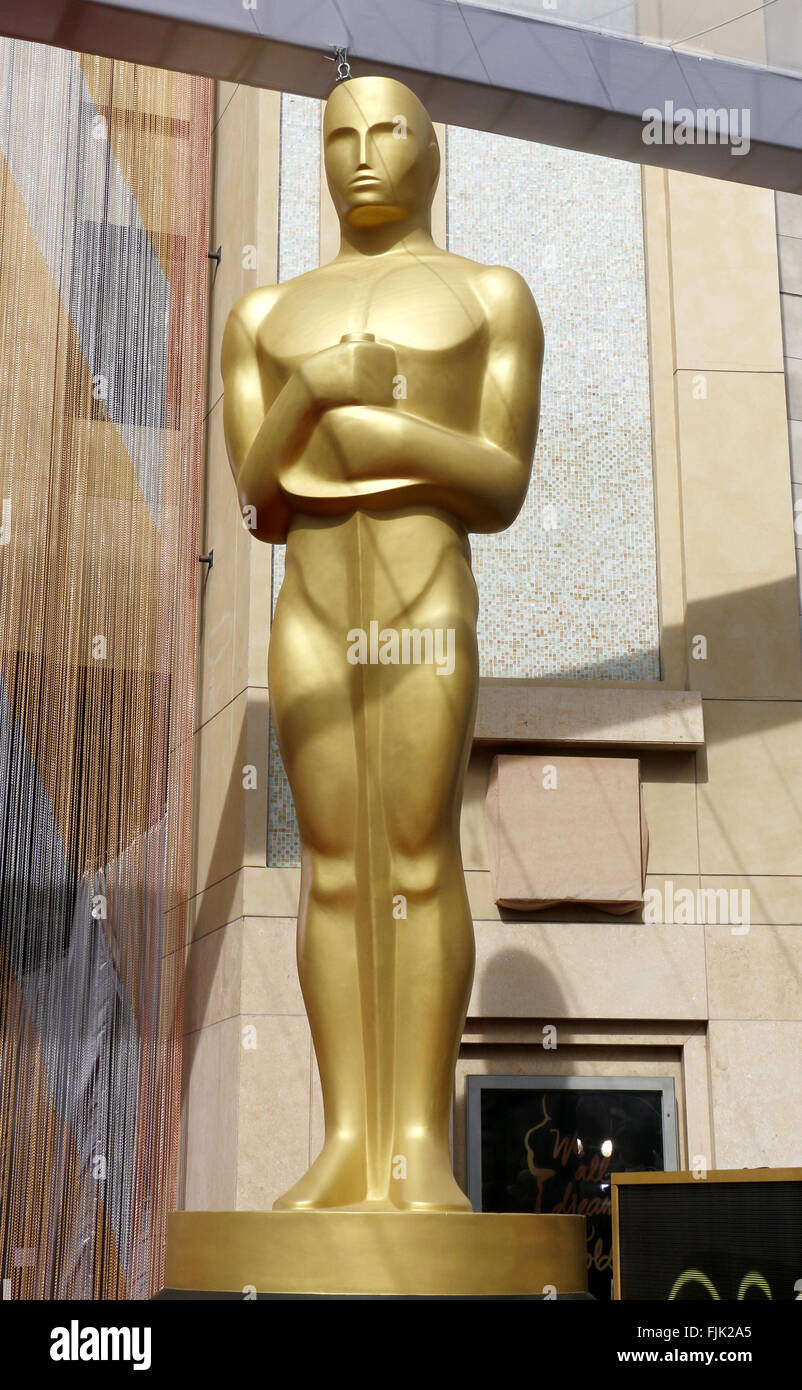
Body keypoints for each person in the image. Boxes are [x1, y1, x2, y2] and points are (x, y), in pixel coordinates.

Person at [221, 74, 544, 1210]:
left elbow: (500, 481)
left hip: (420, 604)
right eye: (339, 135)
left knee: (416, 857)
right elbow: (258, 496)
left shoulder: (488, 297)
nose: (361, 154)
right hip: (307, 611)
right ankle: (347, 1142)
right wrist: (313, 389)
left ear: (431, 149)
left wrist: (366, 432)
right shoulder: (264, 317)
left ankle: (419, 1146)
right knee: (335, 873)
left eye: (386, 132)